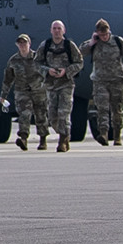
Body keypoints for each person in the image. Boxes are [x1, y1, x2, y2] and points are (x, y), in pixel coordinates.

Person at [82, 22, 123, 148]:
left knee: (116, 109)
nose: (104, 37)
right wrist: (92, 42)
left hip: (117, 80)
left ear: (109, 32)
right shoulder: (94, 43)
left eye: (106, 34)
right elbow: (80, 53)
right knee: (102, 108)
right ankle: (103, 134)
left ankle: (117, 135)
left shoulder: (118, 42)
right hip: (100, 81)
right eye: (101, 35)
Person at [36, 22, 83, 154]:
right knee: (52, 116)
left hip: (66, 84)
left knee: (64, 113)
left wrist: (66, 71)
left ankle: (62, 140)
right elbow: (36, 63)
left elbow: (79, 62)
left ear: (63, 30)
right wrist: (47, 70)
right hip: (51, 85)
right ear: (51, 30)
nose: (57, 31)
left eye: (59, 29)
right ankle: (64, 133)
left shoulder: (69, 46)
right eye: (54, 29)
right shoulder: (45, 46)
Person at [4, 34, 44, 149]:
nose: (22, 45)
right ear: (17, 45)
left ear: (29, 44)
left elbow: (46, 72)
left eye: (24, 43)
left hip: (38, 91)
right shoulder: (13, 60)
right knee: (24, 114)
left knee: (40, 115)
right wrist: (4, 94)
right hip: (22, 92)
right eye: (20, 43)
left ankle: (42, 139)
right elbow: (8, 78)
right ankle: (23, 138)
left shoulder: (38, 57)